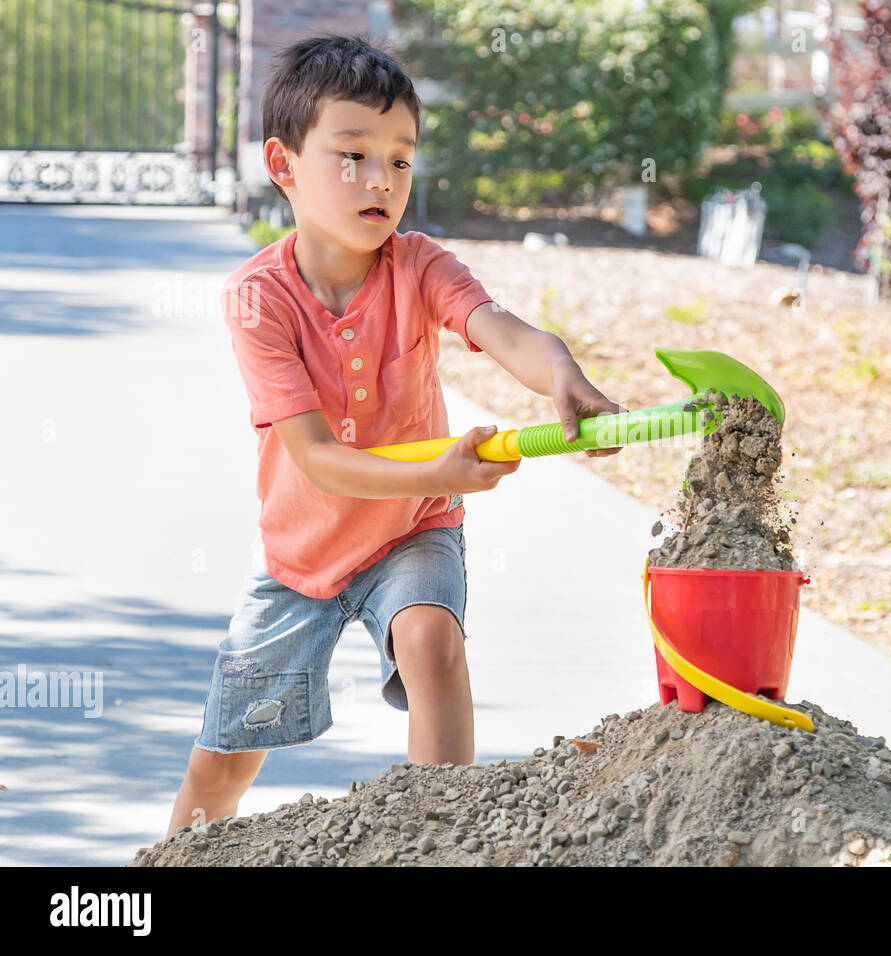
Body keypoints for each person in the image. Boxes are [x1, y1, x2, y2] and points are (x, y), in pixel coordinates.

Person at [165, 34, 624, 838]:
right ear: (283, 165)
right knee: (223, 761)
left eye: (401, 160)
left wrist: (557, 370)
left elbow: (498, 327)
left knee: (431, 639)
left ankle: (441, 838)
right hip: (299, 556)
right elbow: (315, 458)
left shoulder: (419, 266)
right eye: (353, 156)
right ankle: (167, 866)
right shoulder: (258, 300)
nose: (381, 179)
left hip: (413, 530)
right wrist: (437, 469)